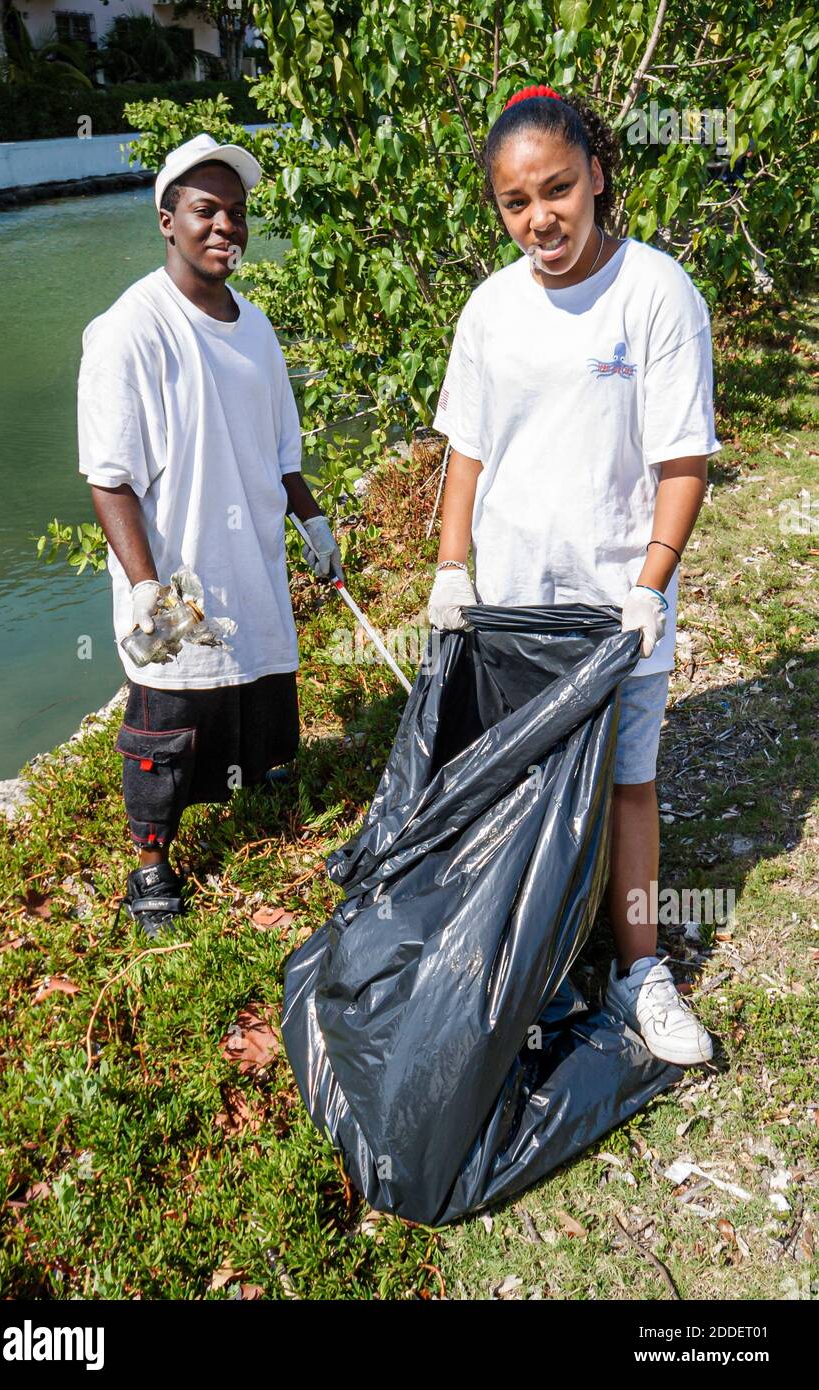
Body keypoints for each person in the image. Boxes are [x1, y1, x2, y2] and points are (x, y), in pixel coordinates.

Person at [428, 85, 721, 1067]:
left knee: (627, 784)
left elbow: (681, 458)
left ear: (595, 175)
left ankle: (639, 966)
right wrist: (449, 567)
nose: (539, 218)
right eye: (516, 202)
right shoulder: (488, 310)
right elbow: (465, 451)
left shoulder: (653, 293)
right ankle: (529, 962)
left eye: (556, 189)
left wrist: (649, 582)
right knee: (518, 778)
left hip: (615, 602)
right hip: (513, 601)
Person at [77, 133, 342, 937]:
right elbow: (109, 474)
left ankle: (261, 798)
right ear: (167, 220)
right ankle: (151, 869)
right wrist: (146, 585)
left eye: (237, 212)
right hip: (176, 574)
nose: (225, 226)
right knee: (166, 717)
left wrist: (312, 518)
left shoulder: (255, 329)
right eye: (205, 210)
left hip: (251, 557)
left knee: (259, 679)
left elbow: (280, 447)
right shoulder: (129, 329)